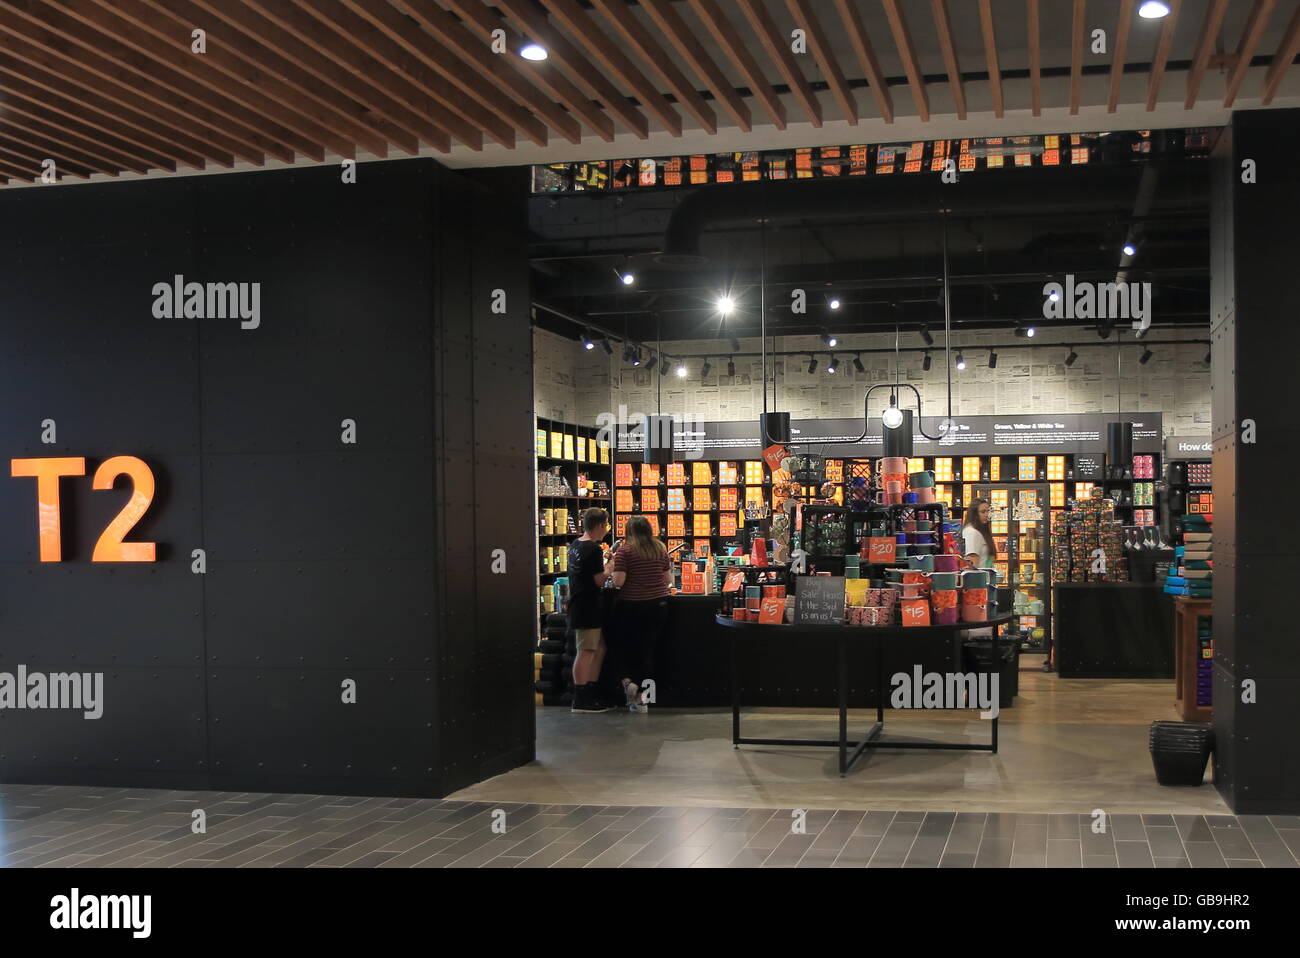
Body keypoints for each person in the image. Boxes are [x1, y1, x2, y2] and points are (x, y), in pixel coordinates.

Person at [609, 515, 673, 713]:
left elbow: (618, 581)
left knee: (627, 650)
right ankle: (647, 698)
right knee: (649, 651)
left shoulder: (624, 551)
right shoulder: (660, 548)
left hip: (632, 606)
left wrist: (610, 574)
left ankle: (630, 686)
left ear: (629, 531)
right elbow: (668, 578)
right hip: (659, 605)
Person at [567, 508, 614, 713]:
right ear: (599, 525)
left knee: (599, 648)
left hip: (579, 603)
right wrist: (609, 568)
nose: (606, 529)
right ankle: (581, 698)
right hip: (588, 605)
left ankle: (590, 692)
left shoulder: (576, 545)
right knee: (586, 651)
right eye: (606, 524)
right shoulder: (593, 550)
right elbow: (598, 580)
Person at [962, 498, 996, 569]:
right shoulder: (972, 532)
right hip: (979, 578)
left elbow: (988, 560)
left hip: (985, 576)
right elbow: (972, 564)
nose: (987, 515)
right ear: (974, 514)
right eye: (983, 512)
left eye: (988, 511)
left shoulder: (980, 531)